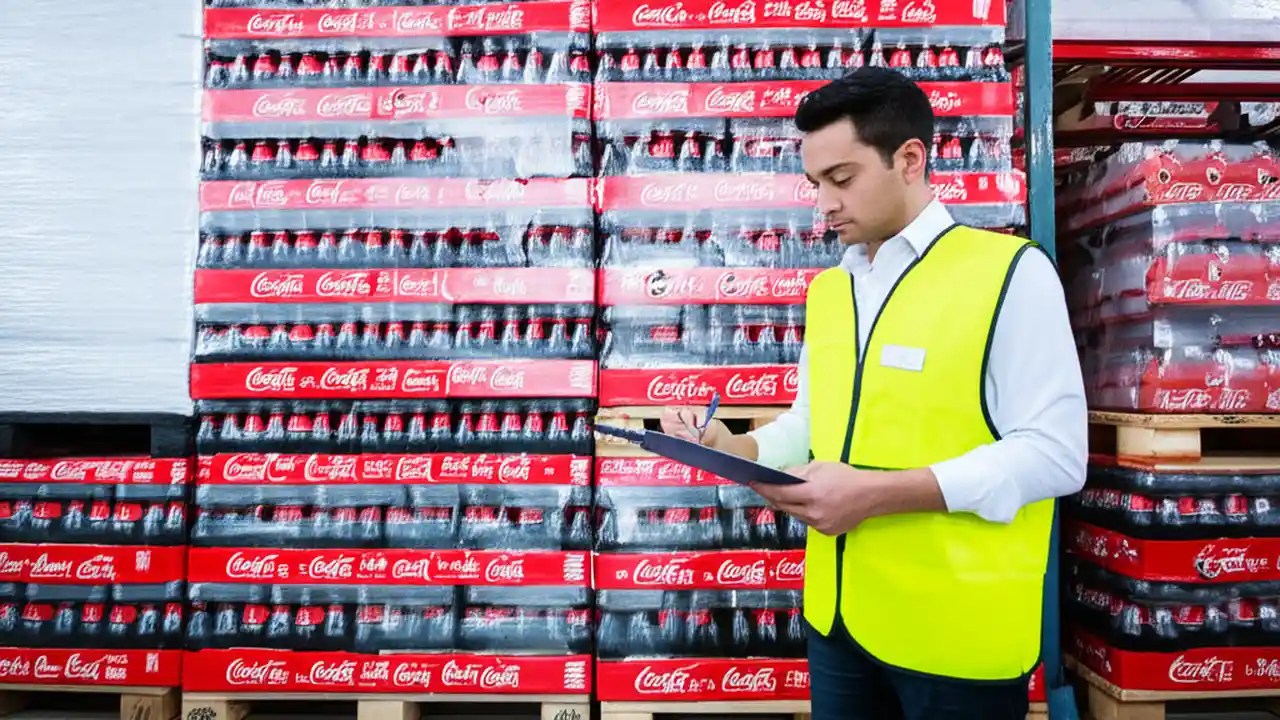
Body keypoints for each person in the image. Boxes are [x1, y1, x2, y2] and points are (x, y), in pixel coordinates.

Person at [660, 67, 1088, 720]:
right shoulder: (832, 291)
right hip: (840, 624)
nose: (824, 204)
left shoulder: (1010, 275)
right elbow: (815, 423)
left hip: (955, 635)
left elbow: (1057, 455)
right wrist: (730, 442)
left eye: (842, 179)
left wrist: (876, 496)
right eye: (814, 185)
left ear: (909, 159)